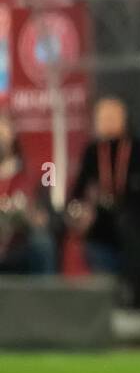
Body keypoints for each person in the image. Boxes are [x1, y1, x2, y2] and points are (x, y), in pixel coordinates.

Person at [68, 96, 140, 305]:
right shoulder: (92, 151)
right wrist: (80, 210)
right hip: (103, 219)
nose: (107, 122)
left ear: (124, 118)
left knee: (129, 222)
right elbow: (77, 193)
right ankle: (80, 301)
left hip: (137, 217)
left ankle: (135, 296)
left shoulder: (138, 149)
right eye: (103, 117)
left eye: (112, 116)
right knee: (70, 224)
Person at [0, 112, 57, 274]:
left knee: (42, 243)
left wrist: (34, 217)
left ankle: (44, 297)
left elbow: (47, 218)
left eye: (3, 128)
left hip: (20, 243)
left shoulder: (32, 175)